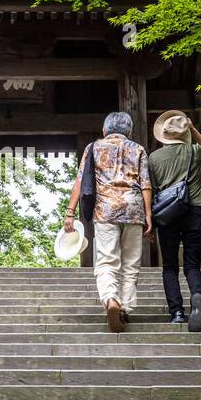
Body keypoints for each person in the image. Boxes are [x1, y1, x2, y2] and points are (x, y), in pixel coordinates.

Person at [63, 111, 152, 332]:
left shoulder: (93, 147)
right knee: (131, 263)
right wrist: (149, 215)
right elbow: (145, 184)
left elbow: (80, 181)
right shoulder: (138, 149)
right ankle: (125, 307)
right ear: (129, 131)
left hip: (105, 210)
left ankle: (111, 298)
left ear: (104, 130)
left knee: (106, 260)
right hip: (133, 210)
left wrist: (70, 212)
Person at [147, 110, 201, 331]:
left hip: (167, 214)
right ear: (184, 133)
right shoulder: (193, 151)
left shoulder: (154, 158)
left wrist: (150, 221)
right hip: (195, 210)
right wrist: (192, 129)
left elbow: (152, 188)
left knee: (169, 266)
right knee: (192, 263)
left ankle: (176, 312)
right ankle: (197, 295)